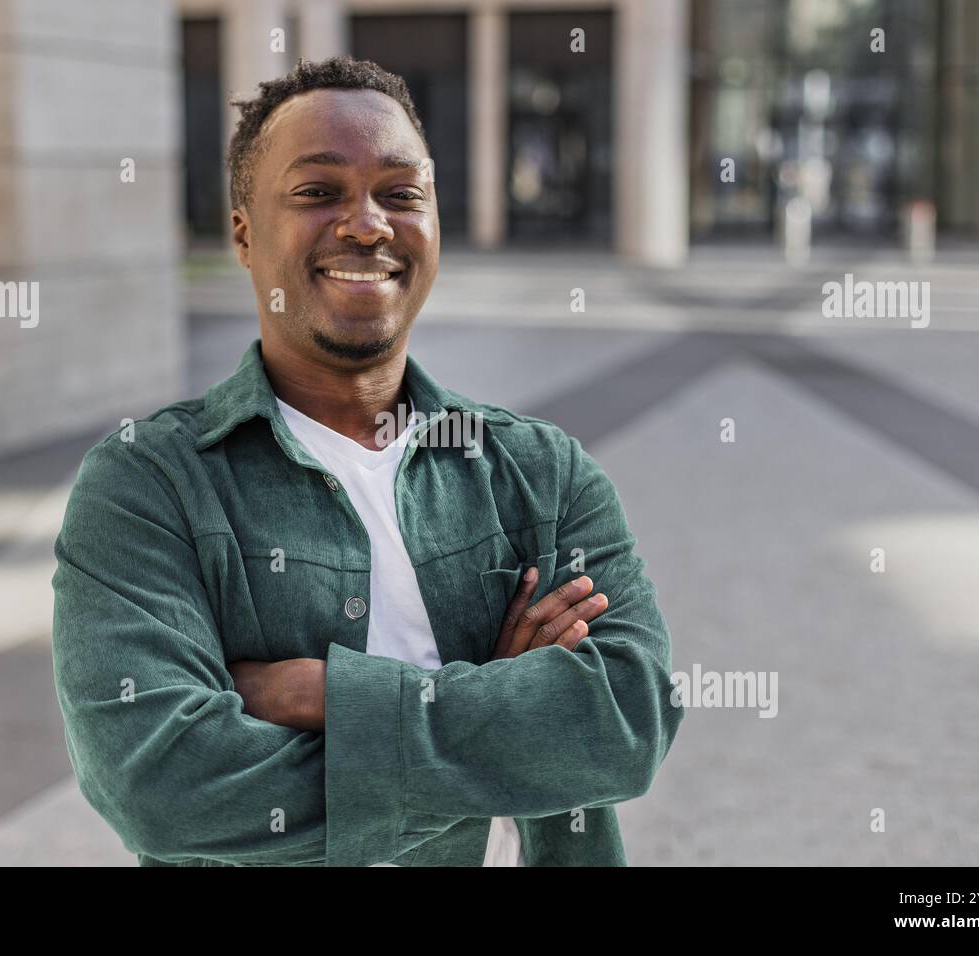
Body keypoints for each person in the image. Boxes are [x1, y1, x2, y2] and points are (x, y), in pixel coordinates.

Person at [50, 55, 683, 867]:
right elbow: (162, 787)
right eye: (318, 193)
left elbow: (626, 723)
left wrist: (319, 694)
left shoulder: (542, 474)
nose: (367, 223)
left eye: (401, 192)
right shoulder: (148, 486)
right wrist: (499, 709)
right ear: (243, 232)